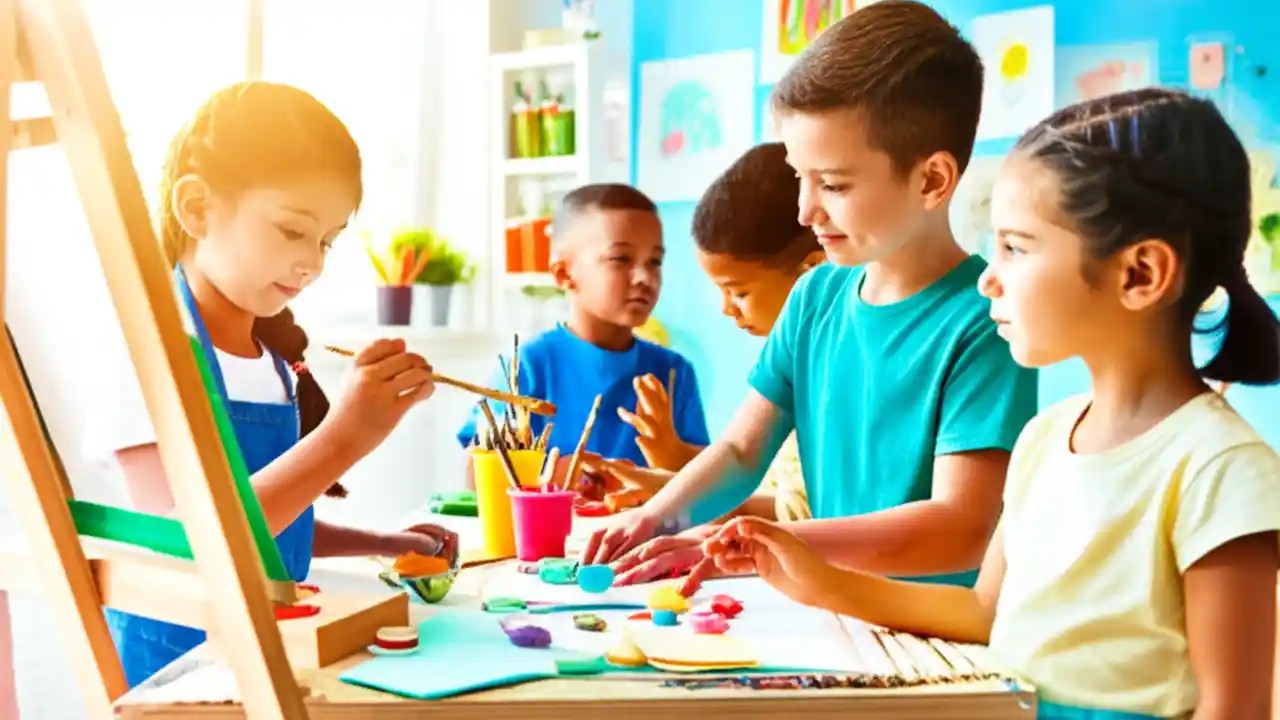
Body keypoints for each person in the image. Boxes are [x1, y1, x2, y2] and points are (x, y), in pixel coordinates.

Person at [702, 88, 1280, 720]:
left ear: (1139, 274)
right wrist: (822, 580)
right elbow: (986, 610)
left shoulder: (1221, 469)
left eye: (1016, 247)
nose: (987, 276)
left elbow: (1236, 708)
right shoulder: (1044, 438)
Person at [581, 0, 1038, 595]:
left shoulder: (986, 322)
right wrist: (655, 517)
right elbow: (742, 451)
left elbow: (959, 528)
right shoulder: (816, 296)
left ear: (931, 180)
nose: (805, 210)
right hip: (824, 607)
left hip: (932, 637)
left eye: (835, 184)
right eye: (801, 176)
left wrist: (760, 540)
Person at [99, 81, 457, 688]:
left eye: (327, 241)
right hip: (179, 680)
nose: (313, 263)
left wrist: (385, 541)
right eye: (293, 231)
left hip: (270, 659)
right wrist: (345, 437)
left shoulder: (269, 359)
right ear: (197, 208)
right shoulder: (153, 350)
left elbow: (274, 526)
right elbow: (185, 541)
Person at [580, 142, 824, 584]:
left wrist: (668, 501)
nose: (726, 310)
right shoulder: (794, 353)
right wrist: (662, 497)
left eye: (740, 291)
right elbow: (744, 461)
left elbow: (803, 515)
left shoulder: (834, 360)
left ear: (812, 271)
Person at [456, 184, 709, 471]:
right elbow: (478, 477)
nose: (644, 277)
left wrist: (670, 453)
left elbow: (708, 482)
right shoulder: (524, 367)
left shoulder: (675, 374)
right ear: (565, 274)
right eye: (620, 259)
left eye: (655, 261)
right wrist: (556, 473)